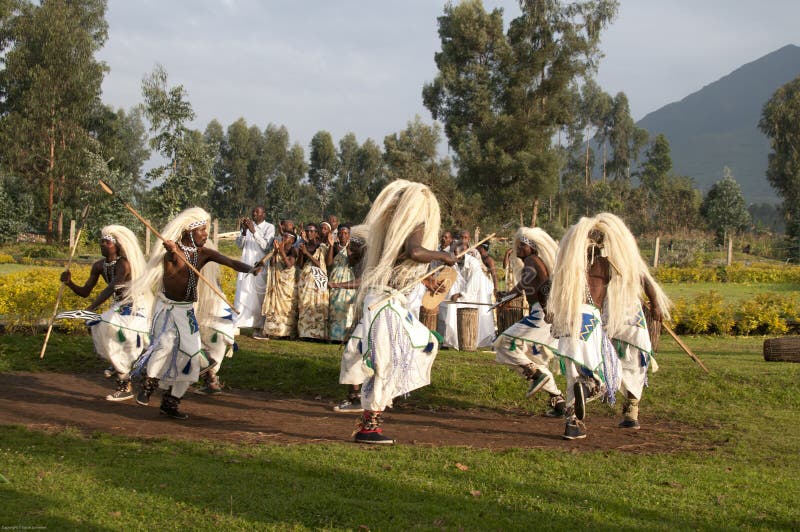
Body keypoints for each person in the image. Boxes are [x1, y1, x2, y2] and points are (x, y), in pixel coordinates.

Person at [349, 179, 456, 444]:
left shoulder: (393, 228)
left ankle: (374, 414)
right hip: (385, 304)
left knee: (417, 346)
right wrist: (443, 256)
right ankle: (369, 427)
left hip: (386, 302)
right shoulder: (413, 225)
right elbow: (416, 251)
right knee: (387, 361)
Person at [548, 213, 670, 440]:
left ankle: (573, 422)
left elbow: (640, 277)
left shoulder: (572, 264)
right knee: (602, 376)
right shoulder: (602, 262)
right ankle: (592, 392)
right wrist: (653, 304)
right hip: (593, 320)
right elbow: (642, 278)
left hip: (573, 323)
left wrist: (653, 302)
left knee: (577, 372)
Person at [130, 207, 254, 420]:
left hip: (186, 311)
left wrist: (251, 269)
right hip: (167, 309)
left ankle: (171, 402)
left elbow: (231, 262)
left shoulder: (203, 253)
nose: (206, 234)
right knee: (166, 343)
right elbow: (171, 270)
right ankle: (148, 383)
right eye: (202, 230)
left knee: (193, 358)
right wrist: (171, 252)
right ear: (190, 232)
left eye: (207, 230)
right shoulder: (172, 254)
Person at [60, 225, 151, 401]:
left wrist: (91, 308)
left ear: (116, 245)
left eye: (107, 242)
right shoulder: (99, 266)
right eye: (101, 241)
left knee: (109, 325)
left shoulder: (124, 264)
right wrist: (70, 283)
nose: (102, 245)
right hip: (119, 306)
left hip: (136, 306)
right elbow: (86, 291)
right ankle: (123, 374)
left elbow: (112, 287)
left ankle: (130, 368)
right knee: (101, 327)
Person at [493, 227, 565, 417]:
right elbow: (538, 284)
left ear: (532, 248)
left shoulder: (532, 261)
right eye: (517, 245)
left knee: (504, 343)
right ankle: (558, 401)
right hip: (542, 314)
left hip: (540, 315)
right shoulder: (536, 262)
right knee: (533, 358)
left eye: (522, 245)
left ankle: (535, 374)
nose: (519, 248)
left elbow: (526, 281)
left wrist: (507, 297)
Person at [331, 224, 368, 413]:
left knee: (354, 352)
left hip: (372, 312)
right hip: (364, 312)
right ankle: (356, 396)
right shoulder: (359, 261)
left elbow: (364, 281)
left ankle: (359, 397)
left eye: (354, 247)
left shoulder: (370, 261)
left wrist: (338, 285)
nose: (350, 251)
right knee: (356, 352)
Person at [195, 241, 237, 395]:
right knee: (208, 350)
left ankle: (210, 378)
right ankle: (211, 380)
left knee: (193, 345)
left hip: (215, 320)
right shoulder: (213, 272)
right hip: (223, 323)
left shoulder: (204, 274)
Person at [439, 240, 495, 349]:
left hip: (476, 293)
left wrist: (461, 294)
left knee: (476, 319)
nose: (455, 255)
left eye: (457, 252)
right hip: (459, 292)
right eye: (454, 252)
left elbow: (474, 282)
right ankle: (454, 340)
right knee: (451, 313)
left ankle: (472, 341)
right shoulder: (452, 262)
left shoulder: (473, 262)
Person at [234, 205, 274, 333]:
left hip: (259, 266)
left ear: (264, 214)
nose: (254, 213)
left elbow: (267, 247)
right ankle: (238, 324)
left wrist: (254, 231)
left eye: (257, 211)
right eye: (253, 211)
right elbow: (239, 245)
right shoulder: (247, 227)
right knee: (243, 292)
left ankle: (258, 326)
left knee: (258, 296)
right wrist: (245, 231)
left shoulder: (269, 227)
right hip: (246, 264)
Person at [261, 232, 300, 338]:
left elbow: (289, 265)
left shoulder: (294, 250)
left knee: (287, 308)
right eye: (283, 236)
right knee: (274, 308)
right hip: (277, 284)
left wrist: (281, 251)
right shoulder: (277, 250)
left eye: (286, 237)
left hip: (288, 285)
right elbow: (273, 264)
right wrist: (275, 253)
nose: (284, 238)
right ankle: (273, 331)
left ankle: (286, 333)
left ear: (292, 240)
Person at [296, 222, 329, 340]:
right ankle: (304, 333)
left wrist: (307, 254)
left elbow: (321, 264)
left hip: (318, 278)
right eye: (307, 231)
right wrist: (301, 253)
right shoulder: (303, 245)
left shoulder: (322, 246)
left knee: (316, 305)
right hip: (305, 278)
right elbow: (300, 265)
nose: (309, 233)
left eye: (312, 231)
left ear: (316, 233)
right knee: (304, 304)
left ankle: (317, 335)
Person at [326, 223, 357, 342]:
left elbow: (353, 262)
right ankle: (334, 336)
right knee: (335, 306)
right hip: (335, 277)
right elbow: (329, 264)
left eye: (346, 233)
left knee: (345, 306)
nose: (343, 235)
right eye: (341, 233)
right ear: (337, 234)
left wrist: (348, 249)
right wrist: (330, 246)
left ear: (349, 235)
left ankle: (345, 337)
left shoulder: (354, 247)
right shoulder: (334, 246)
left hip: (348, 278)